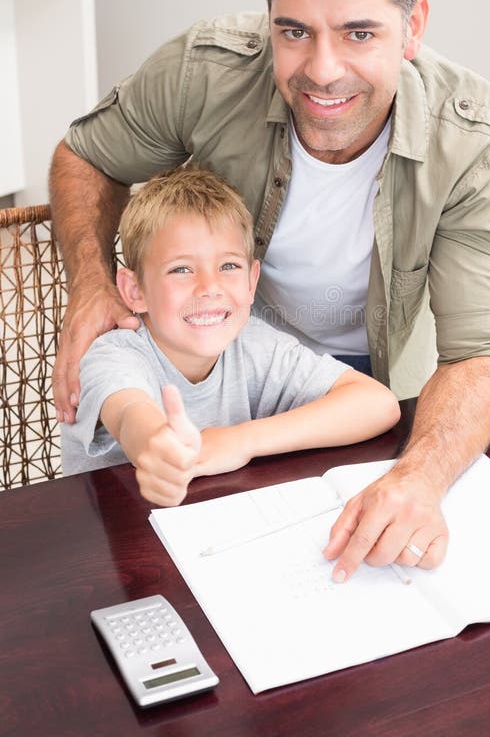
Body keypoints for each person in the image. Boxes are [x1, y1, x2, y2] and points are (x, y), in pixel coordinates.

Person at [50, 0, 490, 580]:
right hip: (226, 364)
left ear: (413, 26)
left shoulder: (474, 141)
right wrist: (92, 281)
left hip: (362, 394)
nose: (323, 70)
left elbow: (483, 350)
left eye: (359, 33)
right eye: (295, 32)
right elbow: (85, 154)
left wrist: (420, 475)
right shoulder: (204, 71)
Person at [60, 166, 400, 507]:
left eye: (228, 266)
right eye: (181, 269)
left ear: (252, 281)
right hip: (115, 530)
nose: (210, 288)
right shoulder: (114, 354)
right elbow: (128, 412)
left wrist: (239, 441)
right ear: (135, 291)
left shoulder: (253, 344)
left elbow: (377, 403)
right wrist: (155, 443)